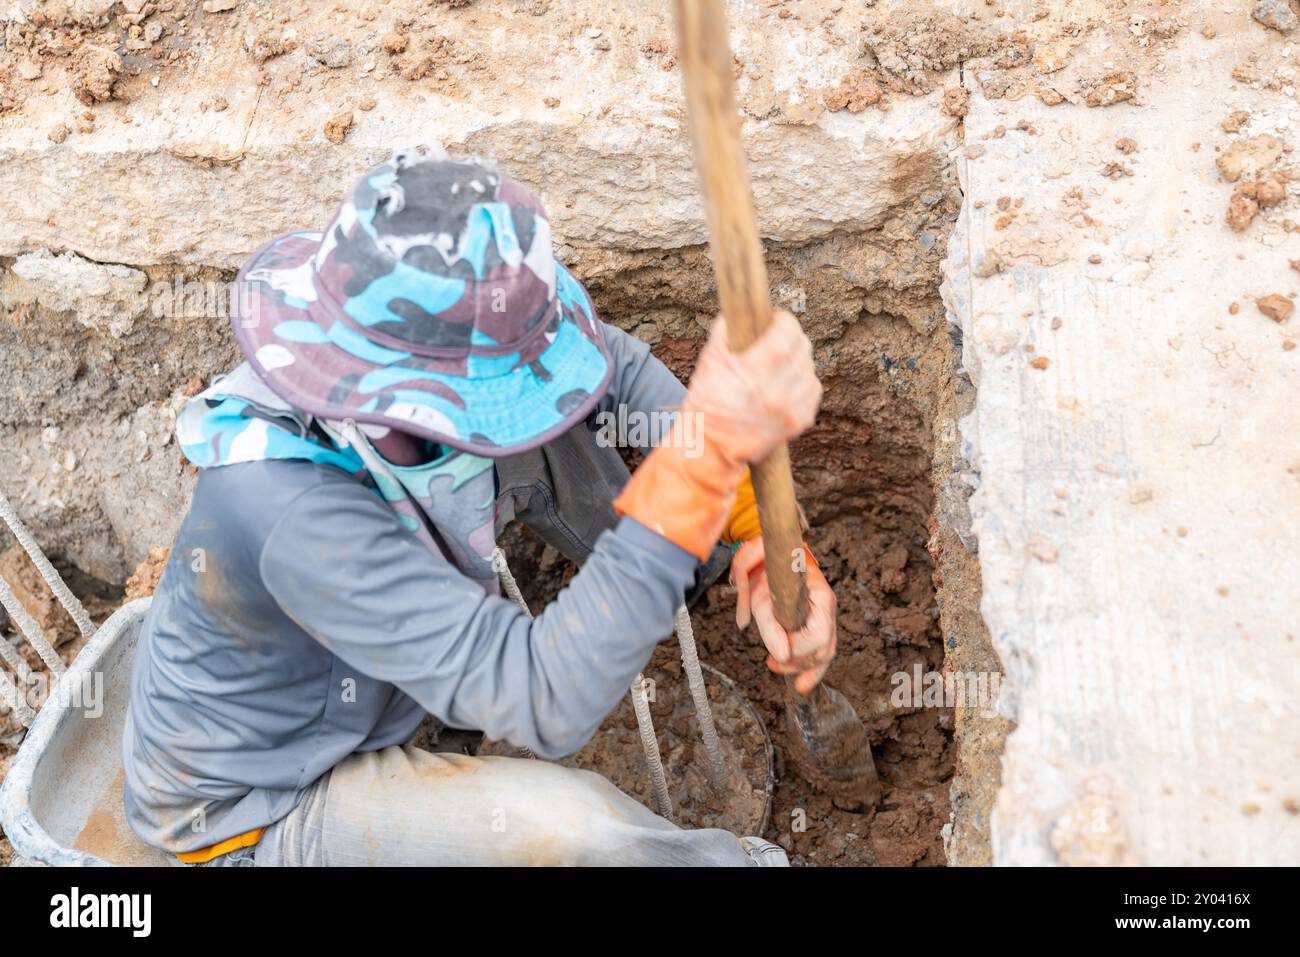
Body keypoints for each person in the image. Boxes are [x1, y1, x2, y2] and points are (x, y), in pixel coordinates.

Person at [123, 150, 836, 866]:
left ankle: (693, 562)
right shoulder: (284, 504)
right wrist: (699, 467)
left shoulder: (406, 366)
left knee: (569, 415)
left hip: (374, 690)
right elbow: (546, 700)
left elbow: (607, 370)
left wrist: (756, 532)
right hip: (264, 805)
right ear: (401, 395)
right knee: (571, 830)